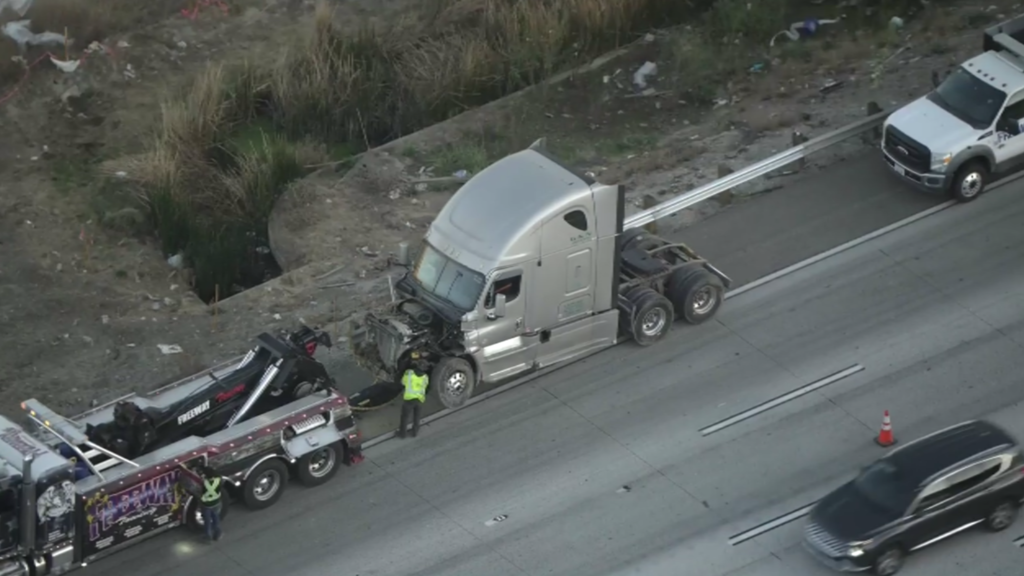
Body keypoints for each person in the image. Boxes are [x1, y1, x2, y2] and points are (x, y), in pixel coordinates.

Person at [181, 463, 224, 541]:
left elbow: (201, 491)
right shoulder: (218, 479)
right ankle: (218, 533)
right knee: (215, 517)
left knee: (207, 520)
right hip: (216, 502)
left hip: (206, 504)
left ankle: (208, 536)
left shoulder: (205, 483)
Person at [398, 355, 429, 438]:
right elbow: (425, 387)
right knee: (417, 417)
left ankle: (402, 434)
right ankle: (414, 432)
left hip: (409, 399)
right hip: (419, 399)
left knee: (405, 417)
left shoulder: (409, 373)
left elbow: (402, 382)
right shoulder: (425, 377)